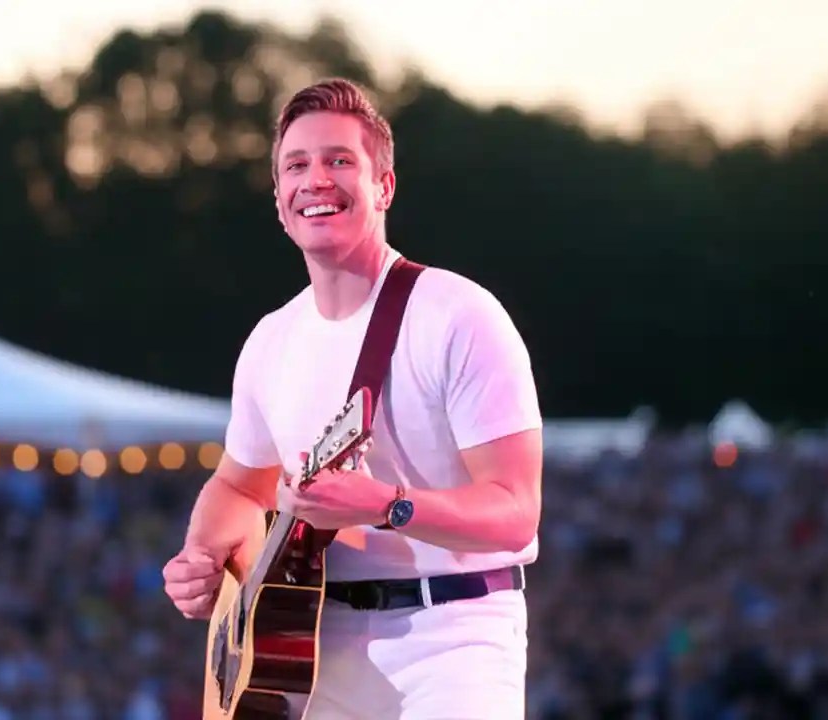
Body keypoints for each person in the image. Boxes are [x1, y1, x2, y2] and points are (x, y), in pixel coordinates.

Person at [162, 77, 544, 719]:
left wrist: (384, 506)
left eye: (340, 160)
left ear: (383, 187)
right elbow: (238, 488)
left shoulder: (458, 315)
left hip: (456, 635)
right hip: (315, 647)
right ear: (280, 202)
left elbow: (516, 513)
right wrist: (202, 559)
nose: (316, 179)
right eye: (297, 165)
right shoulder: (270, 342)